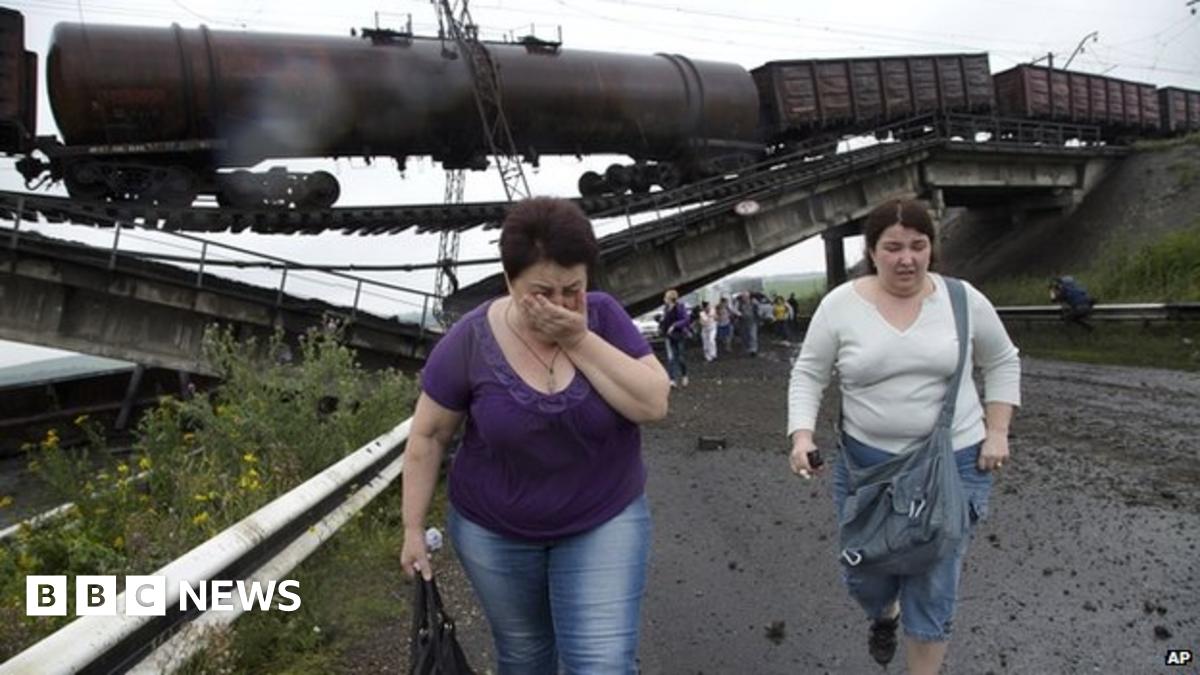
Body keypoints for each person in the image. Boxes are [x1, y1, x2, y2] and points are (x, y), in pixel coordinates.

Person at [401, 197, 671, 674]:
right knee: (526, 657)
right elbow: (428, 437)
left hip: (603, 517)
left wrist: (577, 337)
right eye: (542, 292)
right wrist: (412, 530)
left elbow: (653, 403)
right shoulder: (467, 341)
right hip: (495, 531)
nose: (562, 304)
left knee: (601, 664)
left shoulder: (604, 319)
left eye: (574, 288)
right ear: (509, 281)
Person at [786, 198, 1021, 675]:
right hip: (868, 467)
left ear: (932, 248)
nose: (906, 258)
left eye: (918, 245)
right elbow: (809, 373)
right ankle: (883, 614)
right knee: (866, 575)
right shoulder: (840, 305)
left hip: (954, 463)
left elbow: (1002, 361)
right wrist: (800, 435)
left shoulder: (962, 299)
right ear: (872, 252)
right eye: (892, 247)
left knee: (934, 580)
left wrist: (997, 432)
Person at [660, 288, 691, 387]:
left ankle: (684, 376)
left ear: (670, 298)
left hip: (679, 335)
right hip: (669, 336)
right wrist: (660, 322)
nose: (664, 299)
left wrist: (674, 325)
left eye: (666, 297)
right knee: (671, 358)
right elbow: (664, 322)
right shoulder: (665, 309)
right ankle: (672, 380)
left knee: (681, 357)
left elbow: (686, 320)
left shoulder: (680, 307)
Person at [735, 292, 760, 356]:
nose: (744, 298)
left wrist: (758, 319)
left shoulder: (753, 302)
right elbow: (736, 310)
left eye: (745, 296)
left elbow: (758, 310)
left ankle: (753, 350)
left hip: (752, 321)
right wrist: (738, 314)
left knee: (752, 335)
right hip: (743, 321)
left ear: (748, 296)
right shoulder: (739, 303)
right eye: (743, 297)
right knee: (744, 336)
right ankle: (746, 348)